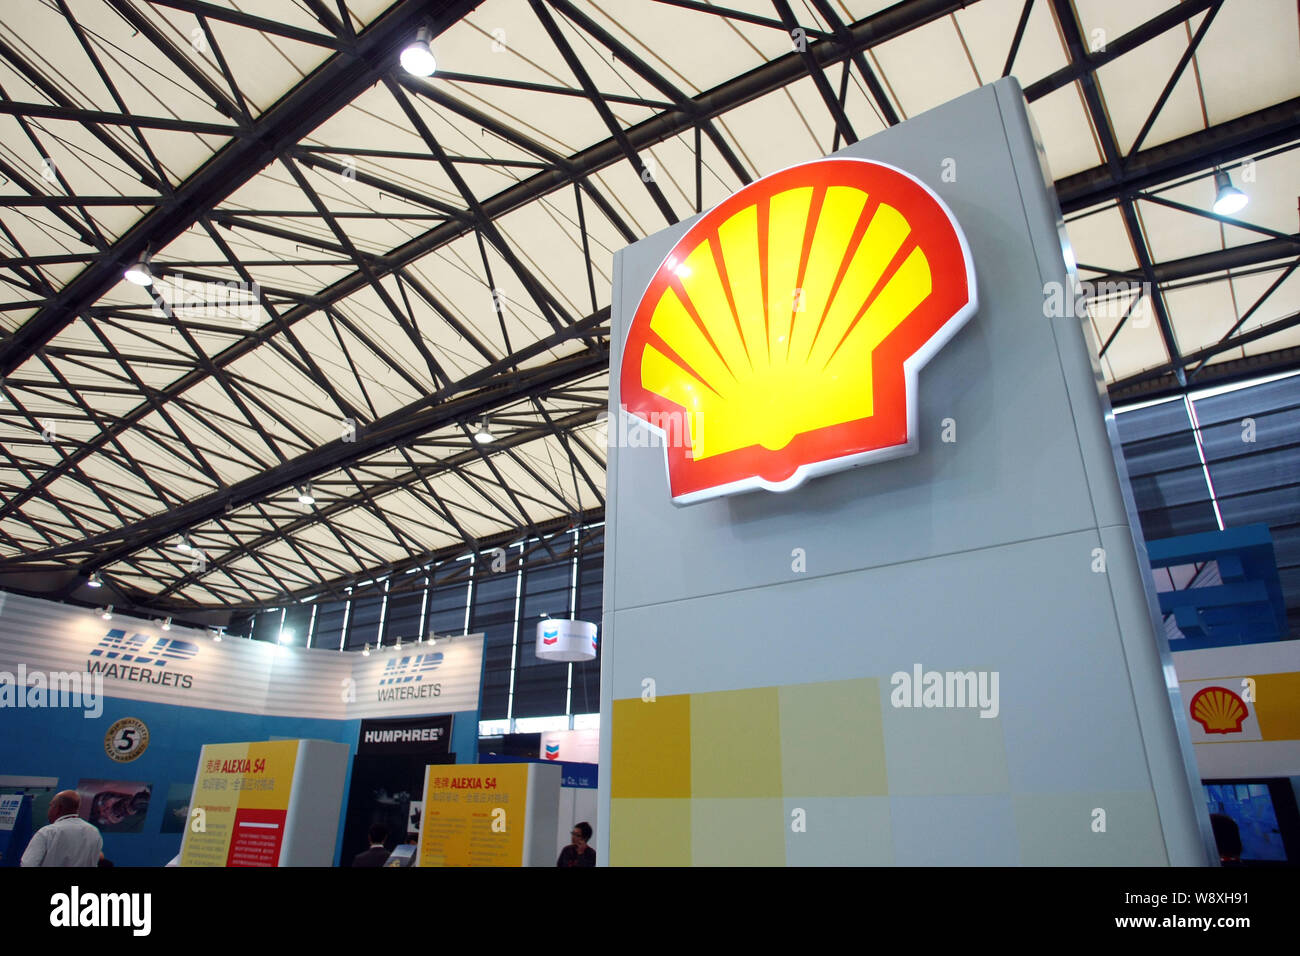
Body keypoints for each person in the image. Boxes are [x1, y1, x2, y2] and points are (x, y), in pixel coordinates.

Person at [20, 790, 102, 867]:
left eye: (51, 805)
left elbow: (28, 864)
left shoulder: (48, 832)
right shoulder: (94, 832)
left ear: (58, 808)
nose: (49, 810)